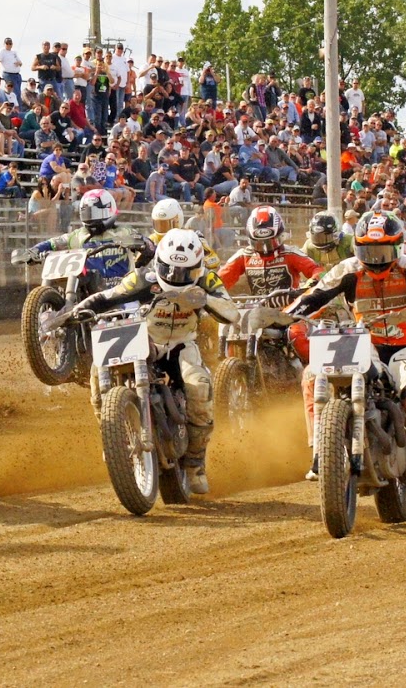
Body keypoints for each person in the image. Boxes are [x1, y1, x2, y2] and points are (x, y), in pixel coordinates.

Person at [286, 213, 406, 516]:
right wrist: (287, 315)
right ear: (357, 248)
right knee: (312, 375)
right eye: (368, 252)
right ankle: (320, 452)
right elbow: (315, 295)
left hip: (404, 349)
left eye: (383, 251)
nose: (375, 259)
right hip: (361, 342)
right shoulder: (347, 269)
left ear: (397, 247)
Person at [65, 229, 241, 494]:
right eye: (169, 270)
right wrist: (74, 311)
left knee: (200, 387)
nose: (175, 277)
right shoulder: (143, 277)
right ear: (159, 262)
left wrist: (205, 298)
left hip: (182, 344)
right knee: (97, 366)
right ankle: (112, 432)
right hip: (146, 341)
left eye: (184, 273)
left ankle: (194, 464)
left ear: (197, 267)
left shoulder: (208, 279)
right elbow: (109, 296)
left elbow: (232, 313)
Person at [15, 189, 150, 288]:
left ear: (109, 209)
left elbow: (150, 245)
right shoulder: (78, 235)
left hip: (122, 290)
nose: (92, 216)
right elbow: (53, 243)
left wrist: (140, 253)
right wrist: (32, 251)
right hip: (88, 290)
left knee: (134, 306)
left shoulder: (124, 232)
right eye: (88, 212)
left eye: (97, 211)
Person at [216, 206, 319, 298]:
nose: (265, 249)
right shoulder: (244, 255)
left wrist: (308, 287)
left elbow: (318, 270)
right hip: (257, 311)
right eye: (259, 243)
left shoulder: (291, 254)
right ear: (250, 240)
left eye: (270, 242)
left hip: (290, 310)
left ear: (280, 236)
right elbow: (220, 279)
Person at [149, 197, 218, 269]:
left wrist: (199, 262)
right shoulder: (151, 240)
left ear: (178, 220)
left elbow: (214, 259)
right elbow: (137, 263)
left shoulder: (192, 237)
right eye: (158, 224)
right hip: (157, 277)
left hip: (187, 278)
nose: (162, 228)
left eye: (166, 224)